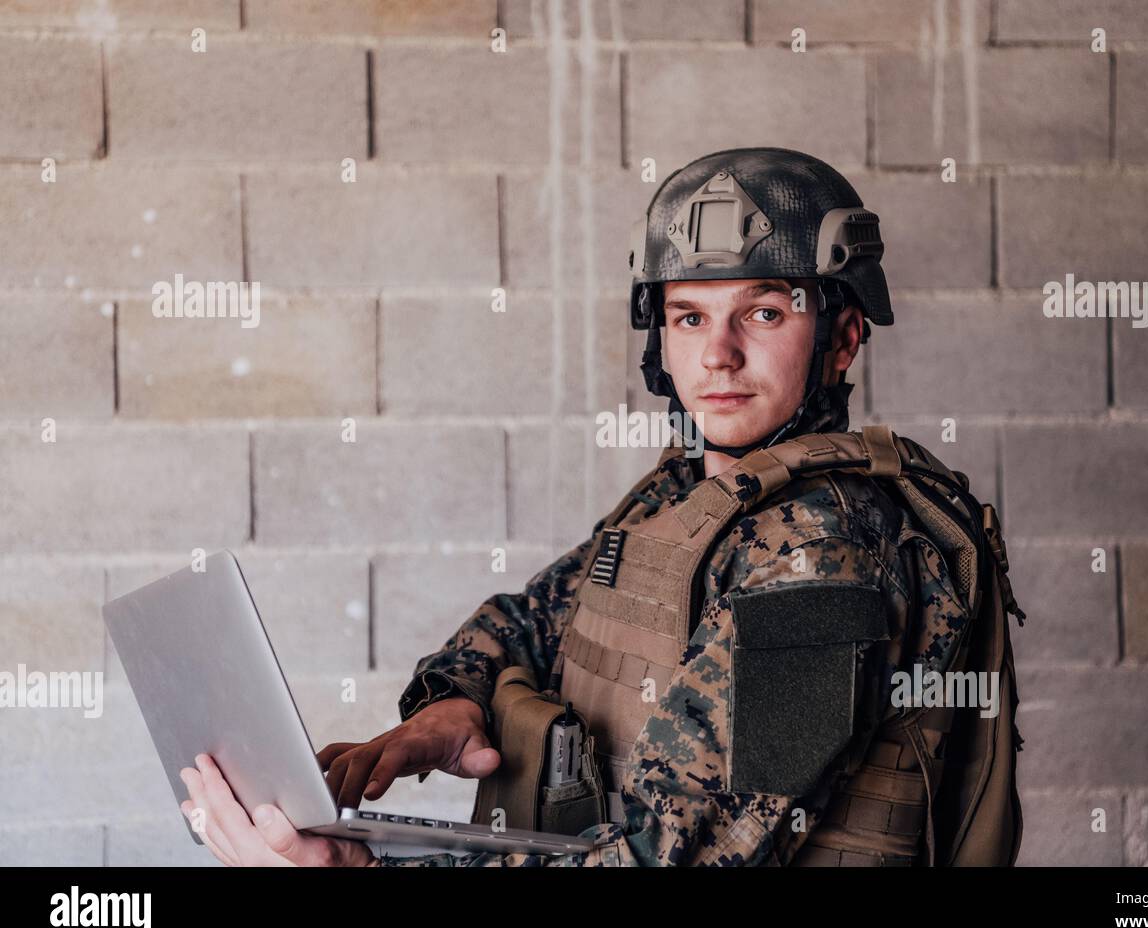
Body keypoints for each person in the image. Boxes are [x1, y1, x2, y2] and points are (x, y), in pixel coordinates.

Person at [179, 147, 975, 867]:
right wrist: (450, 706)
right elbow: (533, 617)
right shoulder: (692, 496)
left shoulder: (827, 561)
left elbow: (675, 855)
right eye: (689, 316)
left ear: (841, 337)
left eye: (764, 313)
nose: (718, 354)